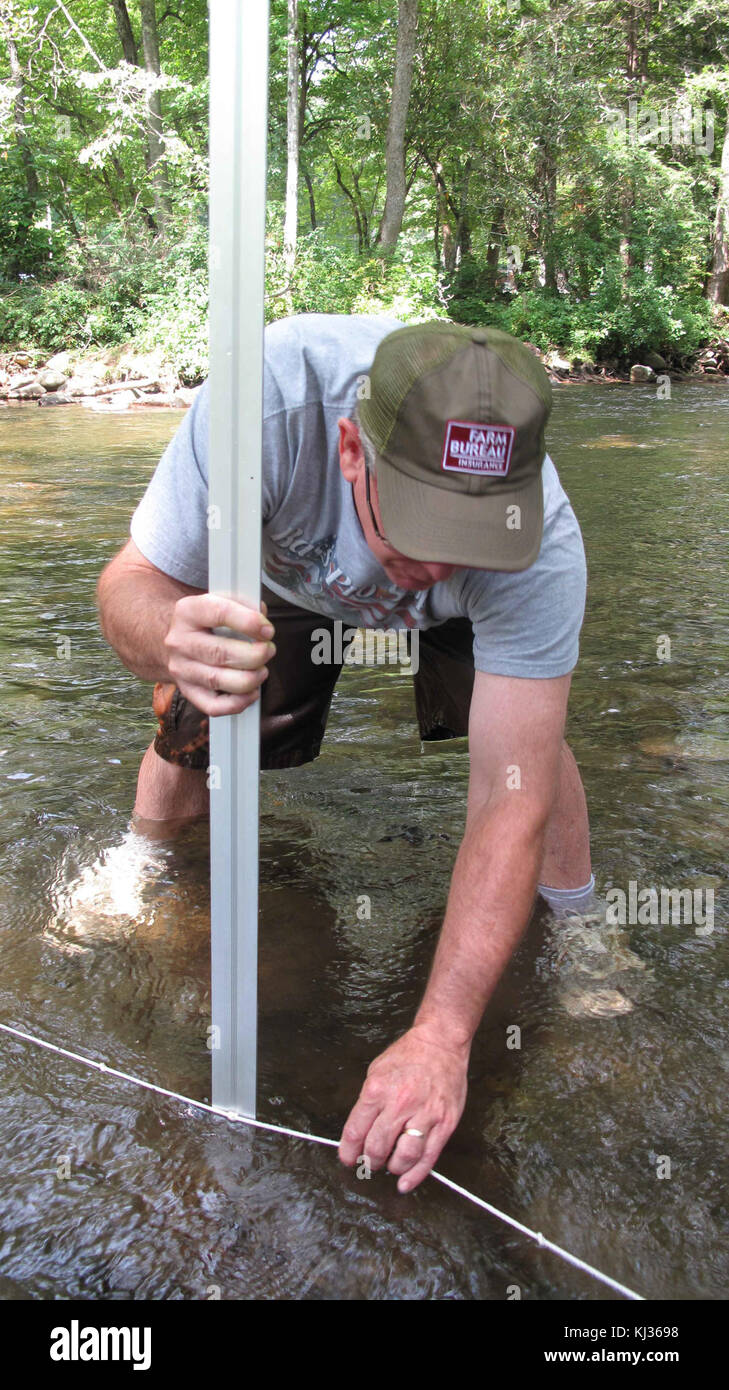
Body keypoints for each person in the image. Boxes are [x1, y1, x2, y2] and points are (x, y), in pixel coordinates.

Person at [97, 313, 595, 1194]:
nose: (436, 562)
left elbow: (505, 799)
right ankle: (139, 857)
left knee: (528, 747)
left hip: (471, 621)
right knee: (198, 702)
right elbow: (131, 586)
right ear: (350, 452)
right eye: (418, 525)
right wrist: (172, 643)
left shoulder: (537, 544)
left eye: (465, 535)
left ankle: (580, 917)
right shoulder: (262, 407)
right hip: (281, 571)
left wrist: (442, 1035)